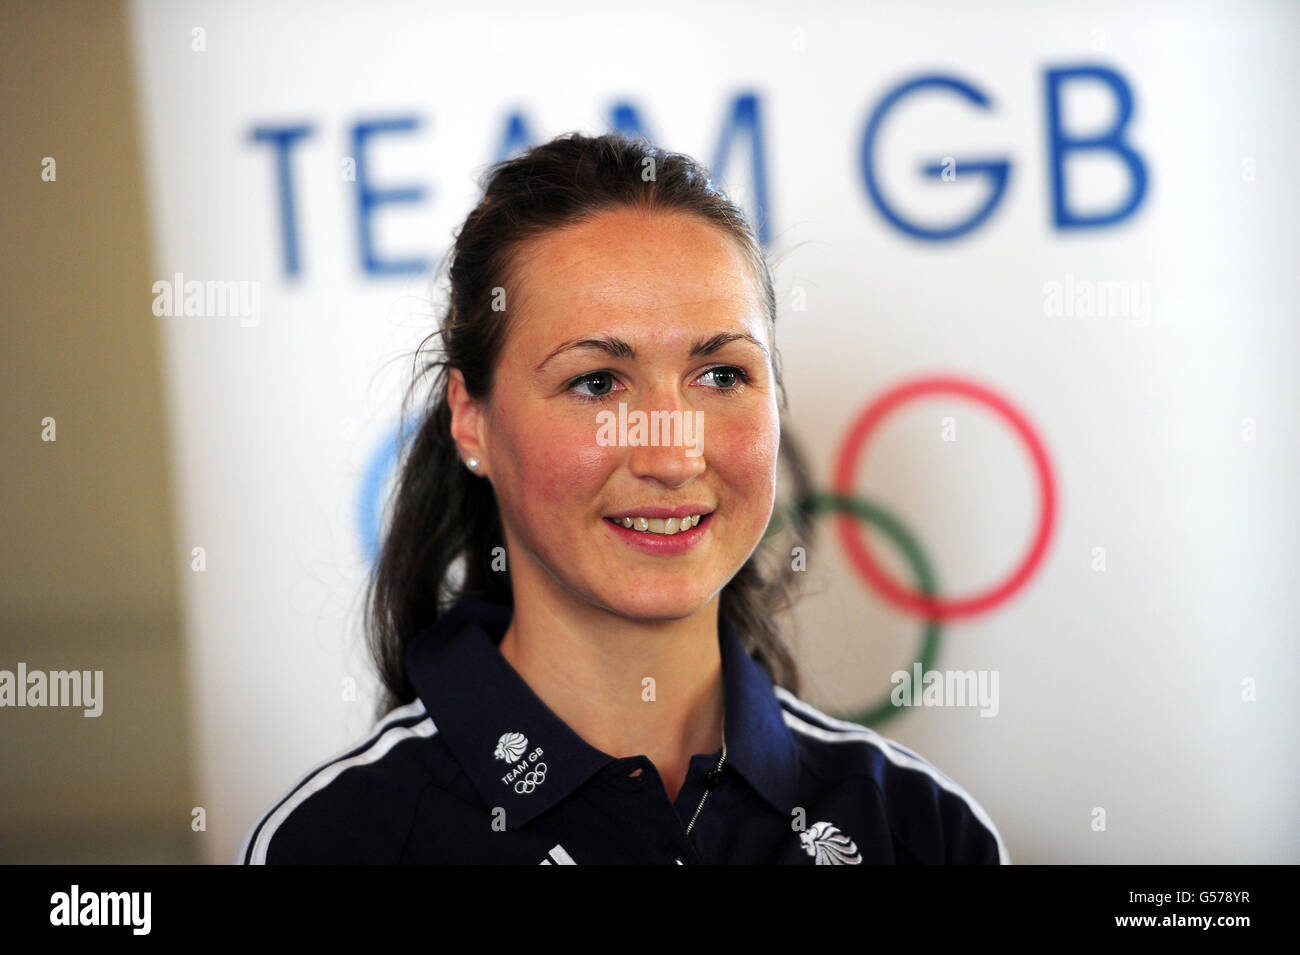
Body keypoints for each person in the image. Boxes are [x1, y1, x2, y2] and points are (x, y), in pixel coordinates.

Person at [238, 131, 1008, 864]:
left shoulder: (922, 829)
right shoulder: (338, 842)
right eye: (597, 382)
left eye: (721, 375)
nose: (673, 454)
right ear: (471, 418)